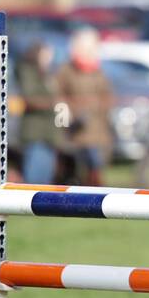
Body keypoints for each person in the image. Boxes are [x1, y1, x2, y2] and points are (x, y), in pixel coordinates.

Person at [53, 28, 115, 186]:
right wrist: (71, 116)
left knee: (95, 173)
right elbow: (57, 98)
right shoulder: (65, 71)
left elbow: (107, 97)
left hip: (98, 133)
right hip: (74, 134)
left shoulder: (99, 71)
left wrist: (100, 107)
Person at [15, 42, 61, 184]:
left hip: (49, 135)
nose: (49, 59)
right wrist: (56, 104)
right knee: (33, 180)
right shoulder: (27, 71)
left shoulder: (47, 73)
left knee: (45, 179)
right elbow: (31, 98)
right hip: (35, 134)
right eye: (46, 55)